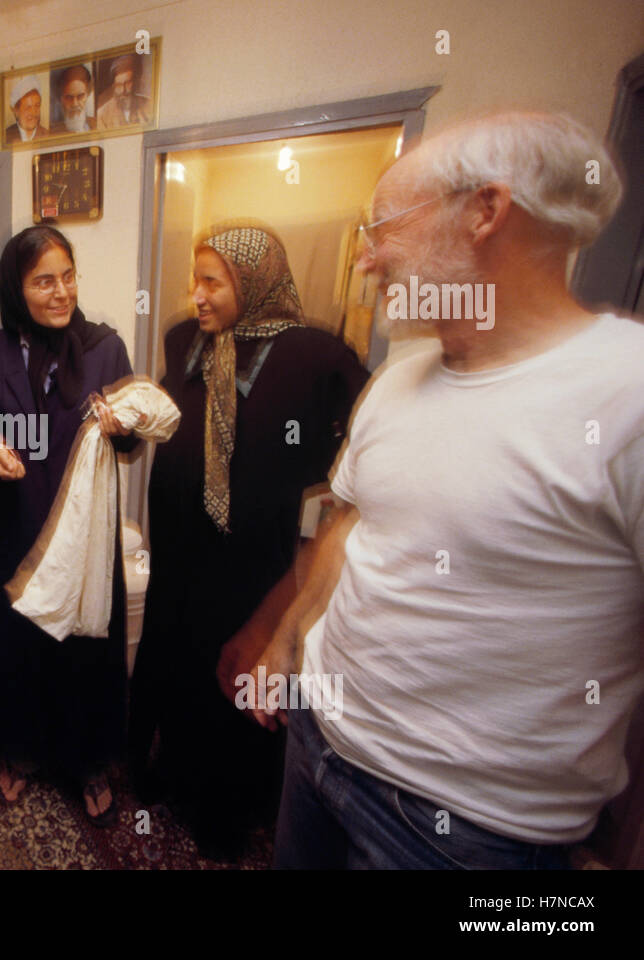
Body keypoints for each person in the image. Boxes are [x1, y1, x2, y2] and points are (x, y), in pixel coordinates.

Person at [245, 112, 644, 868]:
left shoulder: (627, 393)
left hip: (468, 837)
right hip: (317, 754)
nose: (365, 261)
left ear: (485, 212)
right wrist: (286, 639)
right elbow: (348, 526)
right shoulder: (397, 383)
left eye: (383, 228)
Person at [127, 222, 367, 859]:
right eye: (193, 279)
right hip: (179, 548)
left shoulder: (318, 357)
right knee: (174, 658)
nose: (196, 294)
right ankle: (172, 772)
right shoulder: (185, 340)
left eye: (212, 281)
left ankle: (228, 809)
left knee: (235, 673)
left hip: (251, 566)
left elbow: (347, 472)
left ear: (254, 283)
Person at [0, 225, 139, 826]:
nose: (61, 292)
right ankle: (16, 750)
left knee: (84, 642)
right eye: (44, 281)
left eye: (68, 276)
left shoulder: (104, 347)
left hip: (86, 531)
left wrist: (127, 426)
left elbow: (133, 440)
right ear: (17, 289)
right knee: (17, 642)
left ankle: (90, 760)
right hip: (17, 525)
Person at [96, 54, 152, 128]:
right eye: (119, 85)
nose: (123, 90)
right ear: (113, 86)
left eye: (128, 83)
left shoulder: (148, 105)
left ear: (136, 81)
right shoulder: (102, 115)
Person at [53, 64, 95, 133]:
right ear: (61, 99)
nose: (75, 104)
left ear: (88, 94)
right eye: (69, 97)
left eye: (80, 96)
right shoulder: (53, 133)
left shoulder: (97, 126)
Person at [5, 75, 46, 143]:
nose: (33, 112)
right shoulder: (6, 136)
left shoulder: (48, 135)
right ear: (16, 111)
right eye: (28, 107)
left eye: (37, 106)